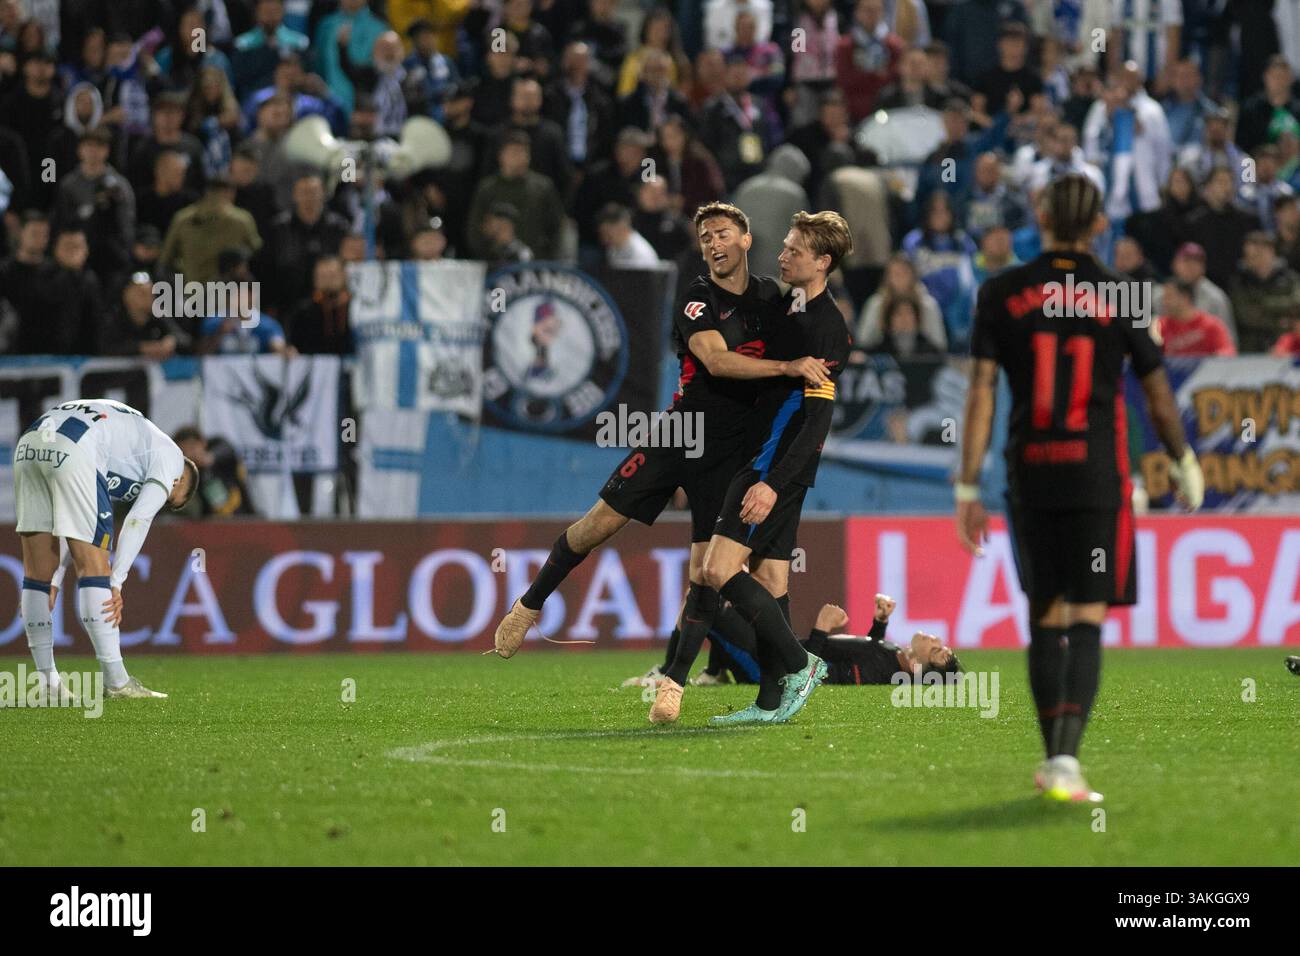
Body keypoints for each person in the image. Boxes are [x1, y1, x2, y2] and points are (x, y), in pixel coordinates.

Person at [491, 202, 831, 675]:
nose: (714, 243)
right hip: (679, 435)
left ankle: (676, 680)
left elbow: (814, 331)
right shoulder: (697, 299)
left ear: (746, 240)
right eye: (706, 237)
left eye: (723, 234)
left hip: (731, 452)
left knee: (705, 573)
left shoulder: (773, 299)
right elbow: (716, 361)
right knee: (596, 526)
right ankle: (529, 604)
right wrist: (787, 366)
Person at [958, 175, 1205, 803]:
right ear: (1099, 224)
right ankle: (1067, 761)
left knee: (1045, 617)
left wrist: (966, 487)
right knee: (1088, 619)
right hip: (1097, 477)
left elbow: (981, 391)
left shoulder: (999, 292)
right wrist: (1182, 458)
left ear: (1039, 217)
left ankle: (1052, 760)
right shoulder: (1125, 296)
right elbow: (1156, 391)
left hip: (1031, 471)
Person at [677, 210, 854, 727]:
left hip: (773, 466)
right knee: (772, 577)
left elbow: (816, 421)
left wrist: (773, 483)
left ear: (822, 262)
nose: (783, 256)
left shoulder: (827, 330)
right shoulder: (784, 306)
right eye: (784, 246)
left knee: (715, 569)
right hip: (760, 458)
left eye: (795, 250)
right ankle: (771, 703)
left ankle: (801, 663)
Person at [15, 399, 199, 700]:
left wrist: (56, 578)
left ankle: (48, 685)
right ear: (179, 482)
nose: (163, 498)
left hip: (30, 444)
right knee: (95, 571)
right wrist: (116, 581)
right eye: (170, 499)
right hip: (77, 447)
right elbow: (139, 519)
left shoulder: (130, 451)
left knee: (37, 576)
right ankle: (117, 683)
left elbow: (73, 524)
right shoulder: (173, 460)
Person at [1153, 279, 1236, 356]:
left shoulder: (1210, 325)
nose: (1164, 302)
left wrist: (1213, 359)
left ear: (1185, 298)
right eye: (1163, 298)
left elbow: (1228, 352)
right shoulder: (1159, 327)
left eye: (1169, 297)